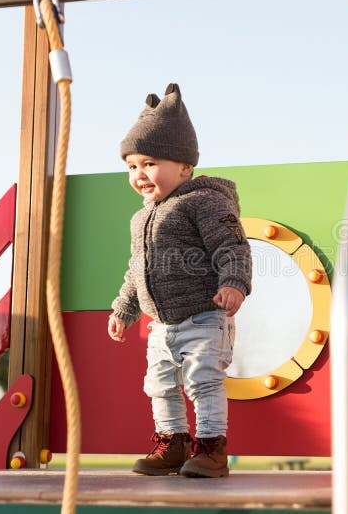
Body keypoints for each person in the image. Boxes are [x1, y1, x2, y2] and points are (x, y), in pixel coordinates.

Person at [107, 83, 252, 478]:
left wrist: (234, 282)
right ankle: (172, 444)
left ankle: (210, 449)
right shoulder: (142, 217)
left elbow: (231, 244)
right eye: (132, 166)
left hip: (204, 317)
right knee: (159, 386)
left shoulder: (203, 201)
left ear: (185, 166)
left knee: (203, 381)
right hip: (162, 326)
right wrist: (124, 307)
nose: (139, 174)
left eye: (150, 163)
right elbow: (136, 268)